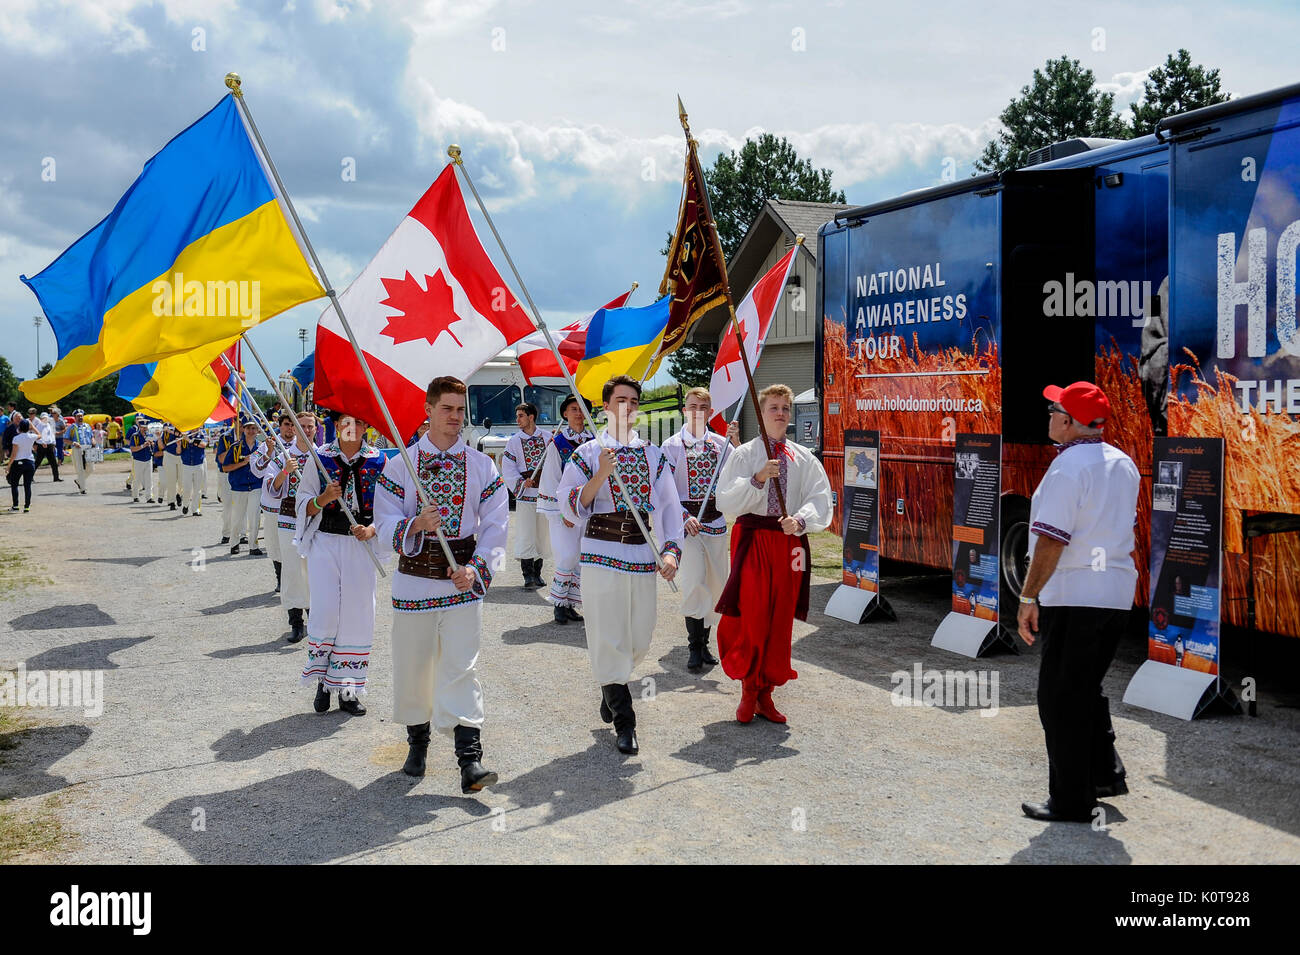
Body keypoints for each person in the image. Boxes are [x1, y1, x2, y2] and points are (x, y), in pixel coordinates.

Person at [374, 376, 507, 794]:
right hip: (414, 582)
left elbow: (497, 526)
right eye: (447, 408)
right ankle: (418, 743)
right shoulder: (400, 465)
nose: (455, 417)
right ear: (428, 410)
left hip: (461, 583)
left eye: (460, 410)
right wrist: (414, 523)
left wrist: (476, 569)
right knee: (414, 665)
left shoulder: (484, 465)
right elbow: (381, 524)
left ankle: (470, 760)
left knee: (461, 665)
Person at [1017, 381, 1139, 824]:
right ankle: (1103, 774)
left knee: (1059, 698)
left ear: (1068, 422)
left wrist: (1028, 595)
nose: (1048, 416)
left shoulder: (1068, 469)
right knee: (1084, 687)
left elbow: (1052, 540)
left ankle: (1071, 800)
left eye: (1053, 409)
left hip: (1074, 595)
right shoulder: (1123, 463)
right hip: (1115, 593)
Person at [557, 375, 682, 755]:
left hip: (641, 554)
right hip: (600, 554)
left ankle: (609, 684)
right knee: (608, 634)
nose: (626, 406)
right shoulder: (588, 453)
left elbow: (669, 508)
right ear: (607, 407)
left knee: (639, 636)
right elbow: (568, 507)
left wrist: (671, 550)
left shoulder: (654, 455)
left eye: (633, 400)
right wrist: (600, 475)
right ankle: (625, 721)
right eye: (620, 400)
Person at [714, 384, 833, 725]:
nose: (780, 413)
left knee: (779, 618)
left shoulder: (803, 457)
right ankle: (748, 690)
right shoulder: (745, 455)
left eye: (785, 408)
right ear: (762, 413)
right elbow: (725, 500)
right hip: (752, 539)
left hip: (786, 540)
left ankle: (766, 693)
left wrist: (800, 520)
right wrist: (756, 478)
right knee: (752, 612)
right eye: (773, 408)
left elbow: (819, 496)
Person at [295, 412, 386, 715]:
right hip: (326, 542)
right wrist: (322, 498)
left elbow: (389, 508)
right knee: (326, 611)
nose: (352, 428)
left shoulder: (379, 461)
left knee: (358, 615)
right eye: (346, 422)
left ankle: (348, 689)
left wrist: (372, 529)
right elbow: (302, 502)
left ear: (366, 427)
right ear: (336, 426)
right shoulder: (319, 458)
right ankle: (323, 680)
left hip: (360, 545)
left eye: (358, 422)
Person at [662, 388, 741, 670]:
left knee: (715, 583)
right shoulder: (671, 446)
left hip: (715, 523)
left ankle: (705, 643)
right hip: (689, 526)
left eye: (703, 406)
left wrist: (738, 441)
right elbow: (665, 490)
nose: (697, 411)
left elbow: (738, 476)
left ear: (710, 411)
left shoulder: (722, 445)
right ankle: (694, 647)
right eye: (692, 406)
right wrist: (683, 516)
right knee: (694, 583)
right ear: (685, 410)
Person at [537, 395, 594, 624]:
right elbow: (552, 480)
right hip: (563, 511)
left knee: (580, 557)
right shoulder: (557, 444)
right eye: (573, 409)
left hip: (588, 510)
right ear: (565, 414)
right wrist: (565, 512)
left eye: (583, 409)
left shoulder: (595, 442)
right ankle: (558, 603)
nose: (579, 413)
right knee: (566, 554)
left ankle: (570, 604)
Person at [266, 411, 317, 642]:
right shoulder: (283, 457)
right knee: (292, 570)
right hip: (288, 518)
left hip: (317, 519)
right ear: (293, 429)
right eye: (302, 426)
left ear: (316, 429)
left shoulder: (323, 456)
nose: (306, 430)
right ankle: (296, 621)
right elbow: (271, 489)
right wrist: (285, 471)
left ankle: (316, 617)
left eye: (310, 426)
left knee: (315, 570)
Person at [501, 402, 553, 589]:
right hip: (526, 496)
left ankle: (538, 573)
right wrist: (522, 482)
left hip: (543, 494)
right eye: (517, 416)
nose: (518, 420)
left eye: (521, 415)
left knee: (541, 534)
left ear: (531, 417)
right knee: (526, 534)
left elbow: (555, 463)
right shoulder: (514, 441)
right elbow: (507, 467)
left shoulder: (548, 438)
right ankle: (528, 575)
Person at [249, 413, 299, 574]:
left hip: (295, 505)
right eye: (286, 424)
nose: (290, 428)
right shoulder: (267, 445)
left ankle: (294, 578)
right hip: (274, 504)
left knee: (295, 542)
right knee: (274, 542)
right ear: (280, 425)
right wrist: (269, 452)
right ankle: (280, 576)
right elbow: (256, 471)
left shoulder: (302, 444)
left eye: (292, 424)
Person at [219, 419, 264, 558]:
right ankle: (234, 543)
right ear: (243, 429)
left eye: (254, 428)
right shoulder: (235, 447)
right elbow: (225, 468)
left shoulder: (262, 447)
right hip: (239, 487)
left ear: (258, 430)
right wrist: (244, 463)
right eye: (248, 428)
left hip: (256, 486)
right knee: (237, 517)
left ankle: (253, 545)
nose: (251, 431)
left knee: (254, 516)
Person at [7, 420, 38, 512]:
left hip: (18, 463)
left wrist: (9, 465)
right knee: (27, 485)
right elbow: (40, 435)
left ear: (19, 427)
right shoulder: (32, 436)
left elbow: (14, 454)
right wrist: (33, 427)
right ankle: (27, 506)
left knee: (14, 484)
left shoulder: (16, 438)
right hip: (30, 462)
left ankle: (15, 506)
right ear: (28, 428)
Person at [126, 417, 155, 502]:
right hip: (138, 460)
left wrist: (152, 444)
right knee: (137, 478)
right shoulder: (135, 436)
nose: (144, 429)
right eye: (142, 427)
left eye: (146, 427)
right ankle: (135, 496)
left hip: (148, 459)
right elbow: (132, 449)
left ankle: (149, 497)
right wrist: (143, 445)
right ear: (139, 426)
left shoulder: (150, 435)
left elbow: (154, 446)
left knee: (149, 479)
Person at [180, 429, 207, 516]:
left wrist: (190, 440)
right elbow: (179, 451)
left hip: (198, 465)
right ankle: (186, 504)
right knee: (187, 488)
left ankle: (196, 509)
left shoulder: (202, 434)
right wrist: (179, 444)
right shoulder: (184, 435)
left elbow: (203, 444)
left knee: (197, 489)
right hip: (186, 465)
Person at [68, 410, 95, 495]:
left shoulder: (87, 426)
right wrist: (73, 443)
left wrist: (93, 441)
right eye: (78, 416)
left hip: (88, 448)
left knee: (91, 468)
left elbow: (91, 436)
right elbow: (65, 439)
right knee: (80, 469)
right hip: (77, 448)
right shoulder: (72, 427)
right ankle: (83, 489)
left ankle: (79, 481)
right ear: (75, 418)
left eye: (81, 416)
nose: (80, 417)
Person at [160, 424, 184, 509]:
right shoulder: (166, 425)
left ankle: (179, 494)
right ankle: (171, 501)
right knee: (171, 480)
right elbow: (162, 445)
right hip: (169, 455)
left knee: (182, 480)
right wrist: (159, 436)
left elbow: (182, 434)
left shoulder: (181, 423)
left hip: (182, 456)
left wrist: (170, 431)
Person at [33, 413, 61, 481]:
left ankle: (56, 478)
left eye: (46, 418)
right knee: (37, 462)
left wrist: (53, 443)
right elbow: (37, 436)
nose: (45, 419)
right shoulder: (38, 426)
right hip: (41, 446)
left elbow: (52, 435)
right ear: (41, 419)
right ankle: (30, 477)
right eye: (43, 418)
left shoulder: (49, 425)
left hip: (49, 445)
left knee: (53, 462)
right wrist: (42, 442)